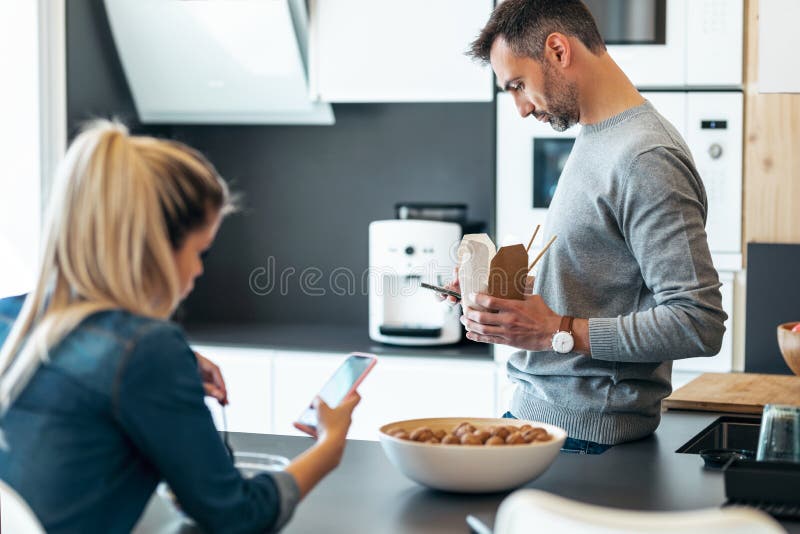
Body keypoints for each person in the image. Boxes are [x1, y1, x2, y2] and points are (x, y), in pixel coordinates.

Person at [0, 121, 360, 532]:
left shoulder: (7, 317)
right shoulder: (147, 352)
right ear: (151, 248)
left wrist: (170, 362)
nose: (198, 270)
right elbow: (238, 518)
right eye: (199, 250)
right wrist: (329, 447)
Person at [450, 0, 727, 453]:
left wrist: (554, 330)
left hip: (587, 439)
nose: (519, 107)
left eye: (518, 85)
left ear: (558, 50)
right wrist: (504, 297)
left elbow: (699, 322)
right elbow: (599, 281)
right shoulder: (597, 137)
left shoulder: (644, 158)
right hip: (541, 419)